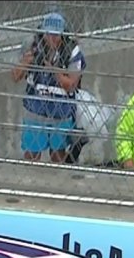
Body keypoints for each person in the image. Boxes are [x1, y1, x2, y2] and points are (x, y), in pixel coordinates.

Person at [11, 12, 86, 163]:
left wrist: (54, 71)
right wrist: (27, 61)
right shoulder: (31, 45)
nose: (52, 38)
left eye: (56, 35)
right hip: (35, 108)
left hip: (61, 110)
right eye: (48, 34)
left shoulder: (72, 50)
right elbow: (15, 76)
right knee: (32, 153)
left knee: (57, 154)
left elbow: (71, 85)